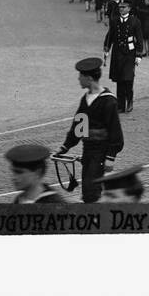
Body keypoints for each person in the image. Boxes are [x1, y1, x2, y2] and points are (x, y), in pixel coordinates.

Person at [55, 57, 124, 203]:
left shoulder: (108, 101)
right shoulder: (85, 100)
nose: (79, 79)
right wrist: (65, 147)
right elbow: (78, 129)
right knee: (88, 189)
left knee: (90, 189)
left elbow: (116, 134)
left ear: (89, 78)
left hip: (100, 152)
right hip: (88, 152)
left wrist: (110, 158)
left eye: (81, 76)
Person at [103, 0, 145, 114]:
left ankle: (129, 101)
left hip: (129, 53)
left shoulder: (135, 21)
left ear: (129, 9)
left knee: (128, 78)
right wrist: (106, 49)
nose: (121, 9)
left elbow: (140, 38)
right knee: (119, 79)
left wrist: (139, 55)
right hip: (117, 52)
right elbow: (110, 36)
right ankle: (120, 105)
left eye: (124, 7)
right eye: (120, 7)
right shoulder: (115, 20)